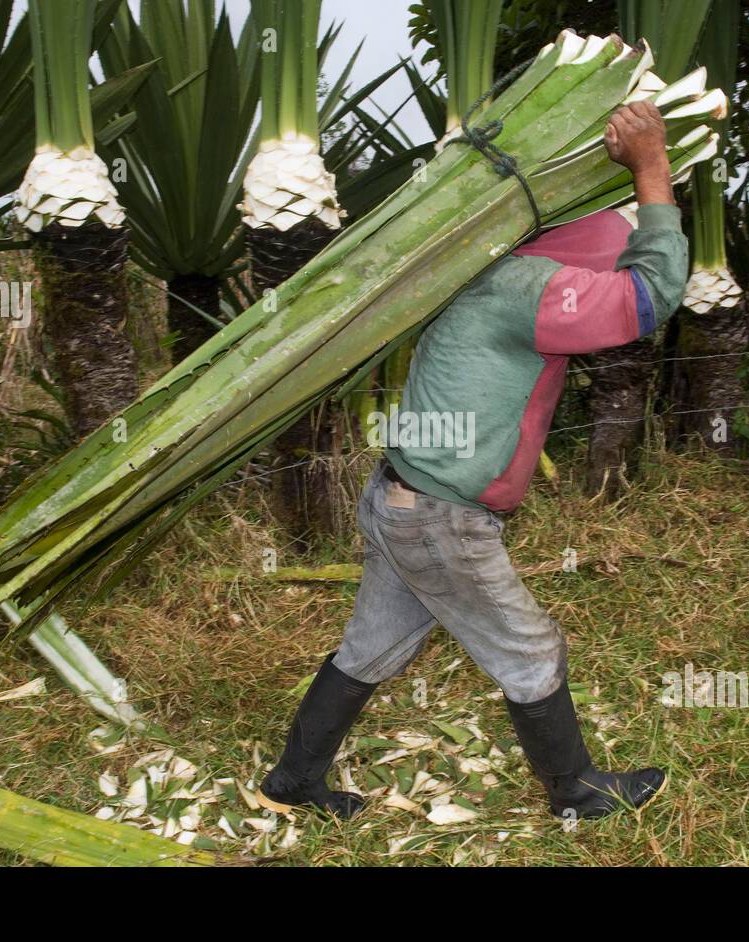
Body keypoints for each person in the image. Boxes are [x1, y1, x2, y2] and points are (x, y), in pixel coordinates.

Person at [257, 100, 688, 821]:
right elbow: (652, 295)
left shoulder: (491, 274)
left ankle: (293, 780)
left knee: (369, 648)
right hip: (440, 518)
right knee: (530, 648)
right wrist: (651, 167)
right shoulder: (530, 286)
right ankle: (575, 791)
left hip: (403, 497)